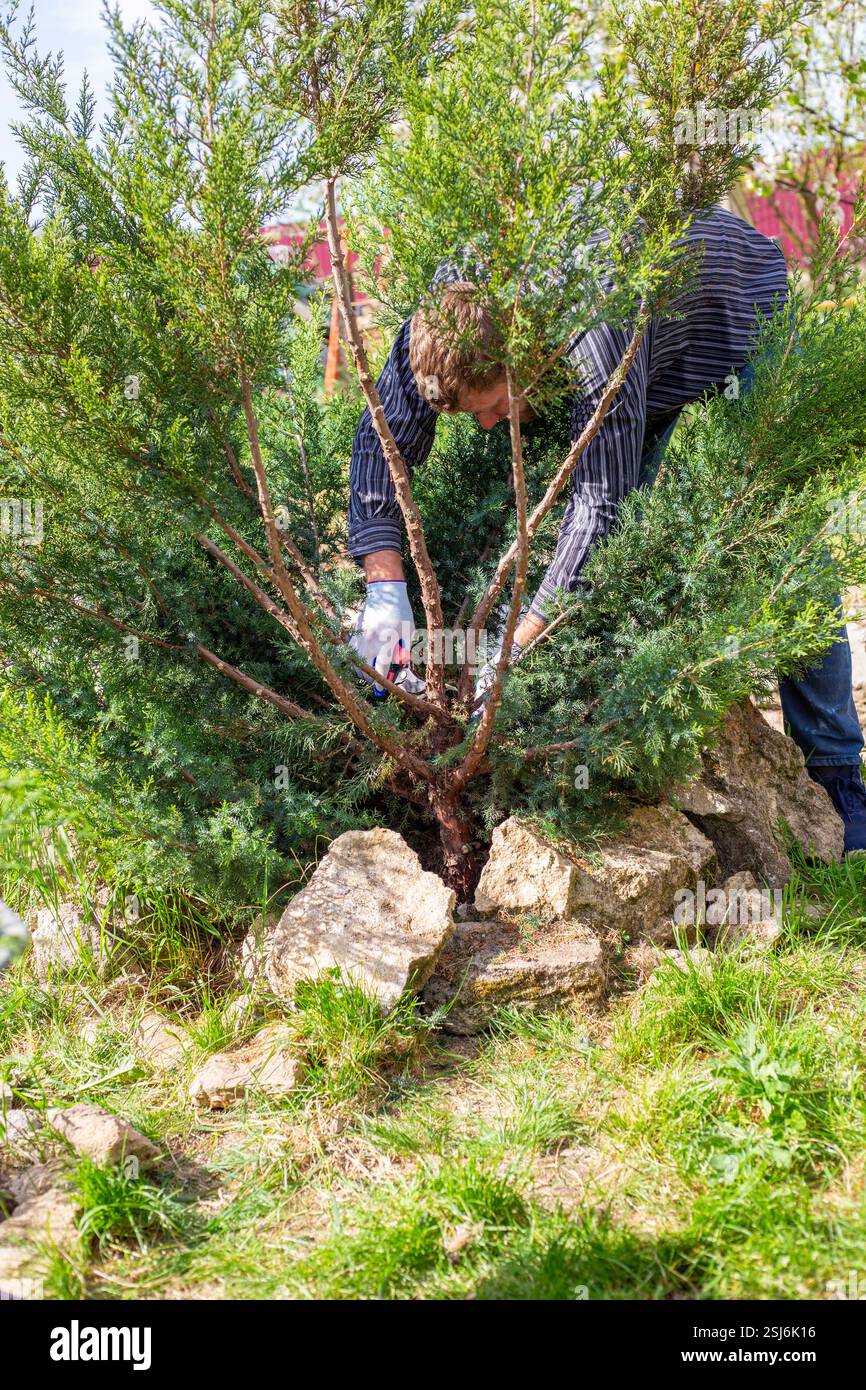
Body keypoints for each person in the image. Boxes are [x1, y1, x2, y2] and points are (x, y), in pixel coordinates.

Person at [348, 207, 866, 852]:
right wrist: (384, 589)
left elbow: (599, 504)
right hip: (642, 320)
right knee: (613, 561)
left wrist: (515, 647)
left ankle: (836, 773)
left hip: (737, 308)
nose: (488, 428)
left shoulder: (596, 332)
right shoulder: (442, 319)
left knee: (782, 539)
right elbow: (381, 444)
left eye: (498, 409)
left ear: (531, 353)